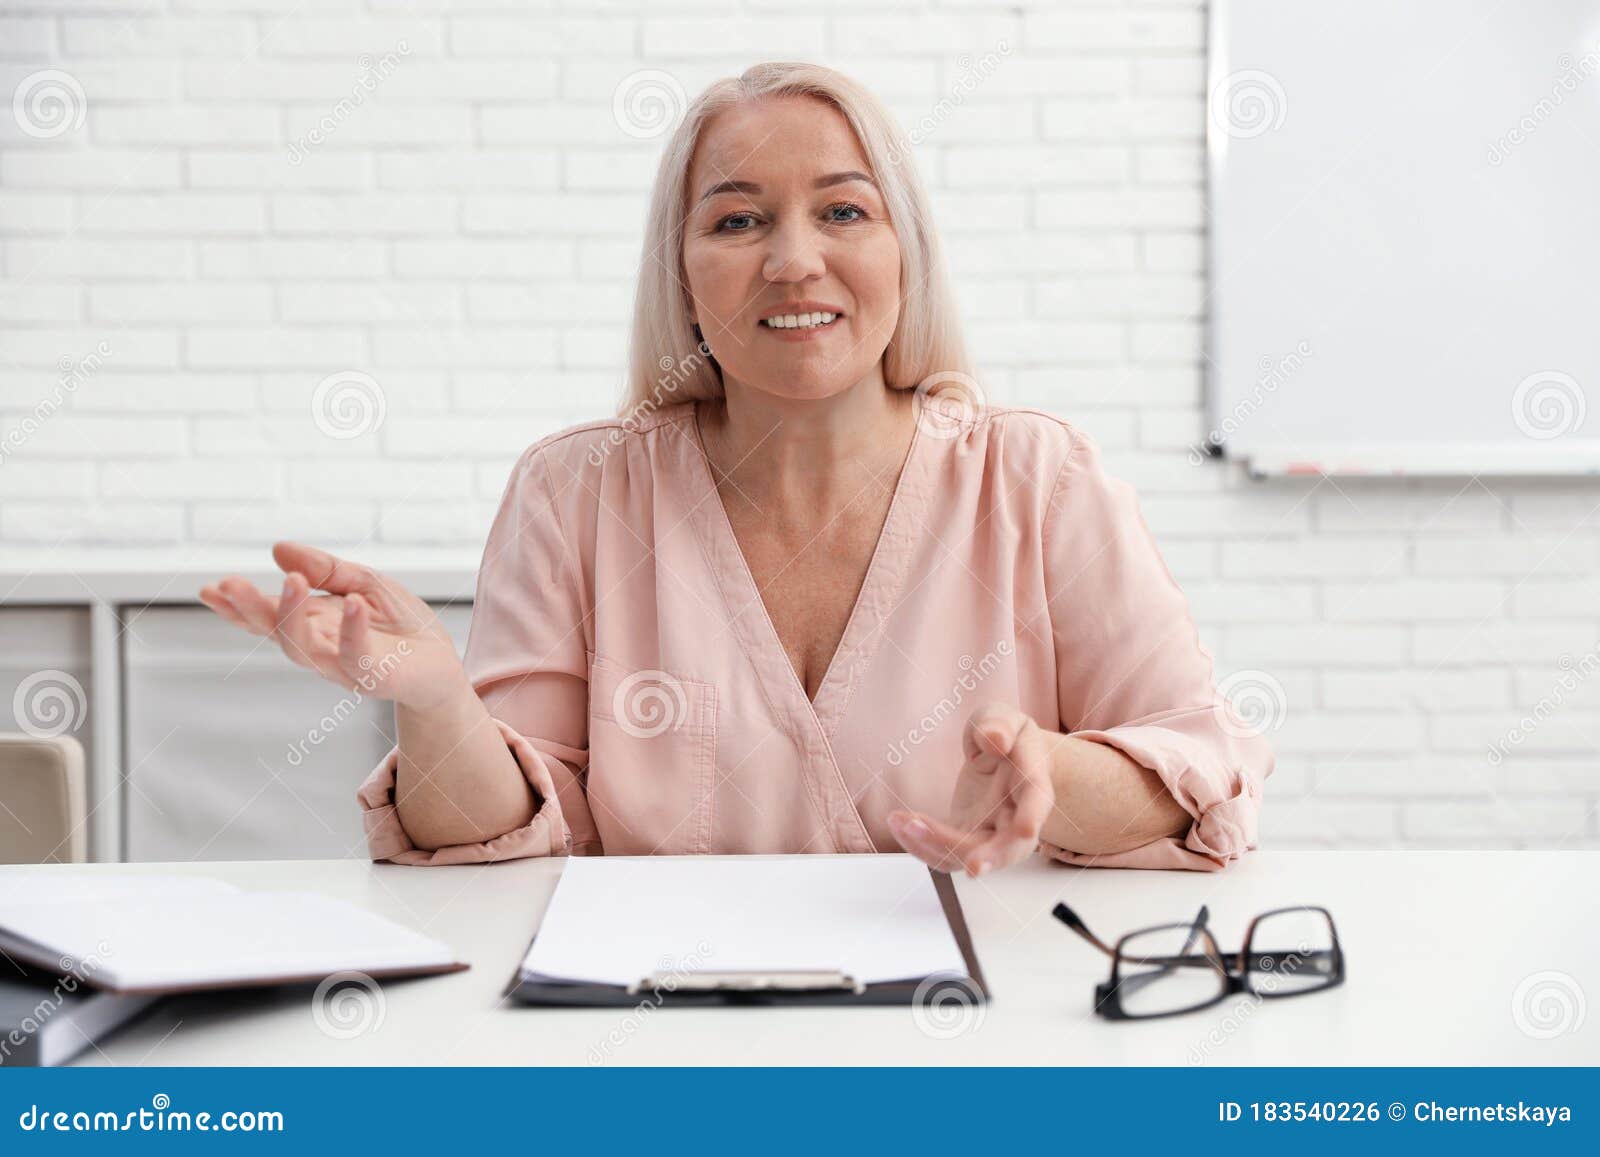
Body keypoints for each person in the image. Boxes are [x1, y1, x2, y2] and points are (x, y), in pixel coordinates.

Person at [199, 62, 1272, 877]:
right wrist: (433, 701)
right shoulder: (575, 495)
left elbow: (1199, 768)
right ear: (683, 270)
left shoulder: (1036, 477)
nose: (793, 259)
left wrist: (1056, 774)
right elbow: (505, 837)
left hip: (984, 1034)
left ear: (908, 250)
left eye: (844, 210)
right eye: (738, 219)